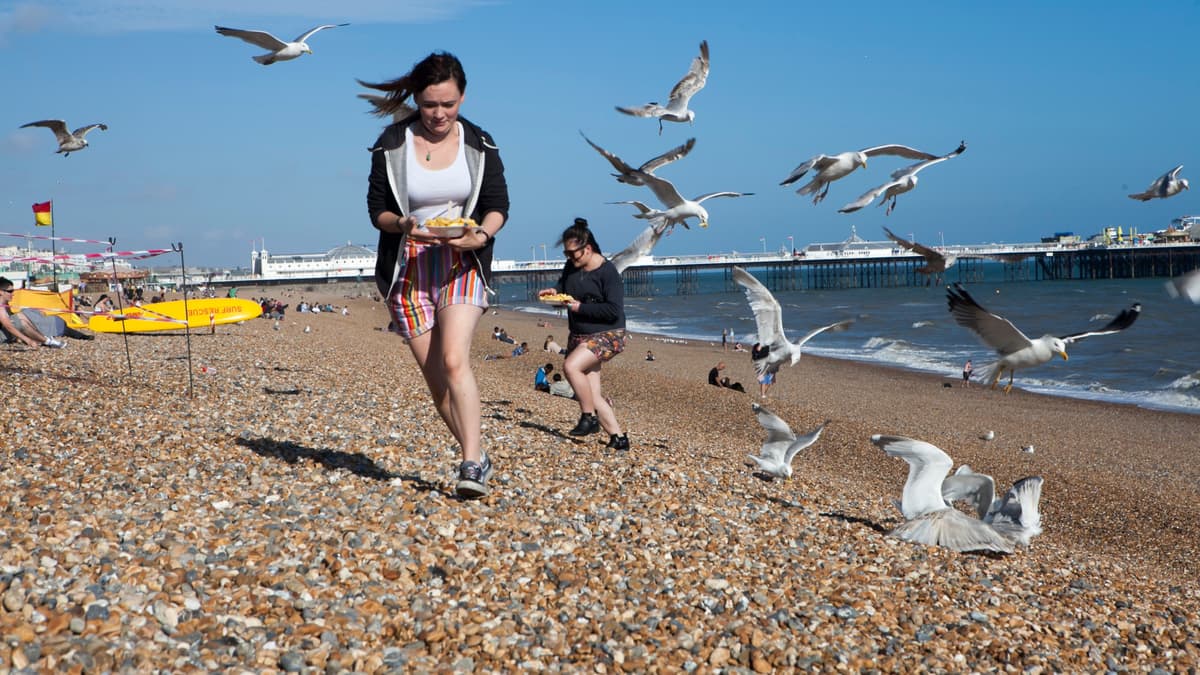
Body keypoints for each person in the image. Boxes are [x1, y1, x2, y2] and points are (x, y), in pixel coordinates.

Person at [364, 51, 509, 499]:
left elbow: (498, 205)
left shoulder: (479, 143)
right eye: (429, 105)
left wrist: (480, 235)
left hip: (461, 260)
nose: (439, 114)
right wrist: (403, 223)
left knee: (453, 360)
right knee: (437, 384)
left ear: (462, 97)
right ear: (416, 100)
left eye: (448, 104)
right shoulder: (392, 144)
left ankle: (470, 464)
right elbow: (377, 211)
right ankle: (477, 452)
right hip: (408, 267)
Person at [538, 218, 628, 450]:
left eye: (573, 253)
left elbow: (613, 310)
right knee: (591, 394)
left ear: (587, 249)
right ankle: (619, 438)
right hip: (579, 335)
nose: (569, 258)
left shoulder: (608, 272)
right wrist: (554, 291)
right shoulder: (572, 266)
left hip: (608, 334)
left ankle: (588, 417)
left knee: (570, 367)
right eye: (566, 254)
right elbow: (564, 286)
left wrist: (579, 307)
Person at [0, 278, 66, 348]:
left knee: (21, 316)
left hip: (5, 333)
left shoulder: (6, 304)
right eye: (10, 291)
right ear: (1, 292)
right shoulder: (1, 307)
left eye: (13, 291)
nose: (13, 294)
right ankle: (47, 341)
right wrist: (28, 340)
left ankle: (43, 338)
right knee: (20, 320)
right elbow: (9, 327)